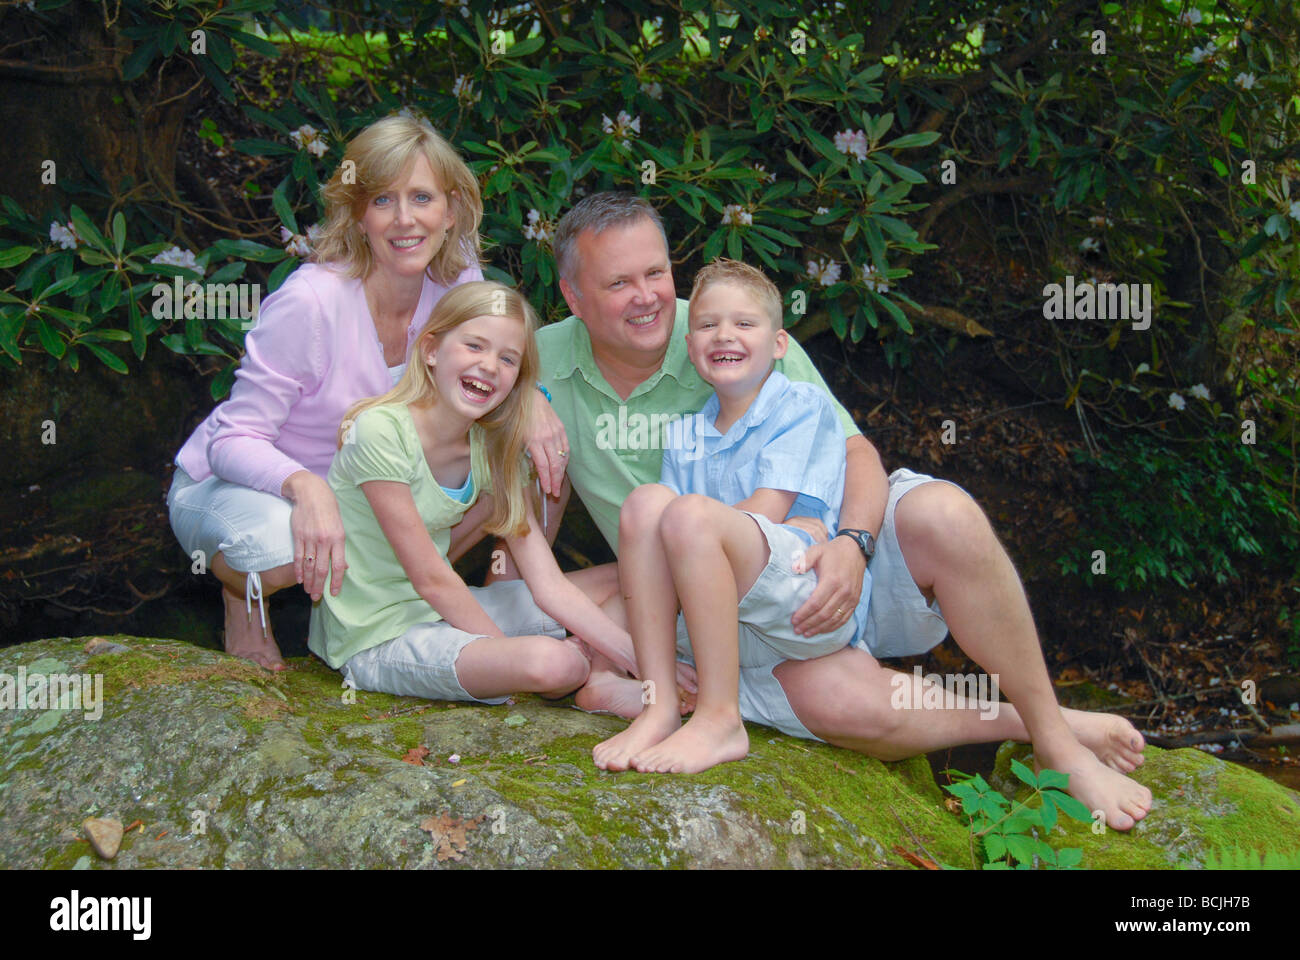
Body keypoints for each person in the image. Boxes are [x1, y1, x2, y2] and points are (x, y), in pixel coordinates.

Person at [515, 191, 1152, 830]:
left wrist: (853, 541)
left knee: (946, 514)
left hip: (822, 549)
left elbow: (856, 454)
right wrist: (525, 400)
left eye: (656, 272)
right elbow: (450, 360)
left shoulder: (725, 320)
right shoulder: (538, 360)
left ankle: (1057, 741)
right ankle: (1026, 720)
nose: (648, 297)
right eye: (618, 282)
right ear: (572, 298)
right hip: (728, 602)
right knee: (847, 707)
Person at [167, 112, 484, 671]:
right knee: (285, 548)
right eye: (382, 200)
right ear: (357, 213)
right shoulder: (311, 302)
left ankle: (391, 599)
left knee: (518, 467)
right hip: (241, 486)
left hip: (362, 489)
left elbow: (497, 368)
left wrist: (534, 405)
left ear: (452, 208)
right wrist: (306, 487)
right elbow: (233, 438)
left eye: (422, 198)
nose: (404, 219)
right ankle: (243, 596)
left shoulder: (459, 283)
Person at [308, 281, 639, 703]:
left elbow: (547, 583)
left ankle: (605, 675)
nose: (488, 366)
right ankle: (579, 663)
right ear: (431, 350)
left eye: (507, 359)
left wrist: (639, 660)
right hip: (378, 635)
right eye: (474, 346)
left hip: (447, 613)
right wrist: (505, 653)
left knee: (628, 578)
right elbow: (431, 580)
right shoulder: (382, 431)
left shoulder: (489, 448)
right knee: (556, 664)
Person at [594, 260, 866, 774]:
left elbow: (768, 509)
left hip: (804, 592)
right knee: (645, 502)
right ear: (690, 344)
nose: (725, 335)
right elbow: (659, 535)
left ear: (779, 343)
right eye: (707, 325)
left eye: (744, 324)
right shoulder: (684, 432)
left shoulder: (800, 404)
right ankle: (660, 703)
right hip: (724, 609)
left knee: (686, 515)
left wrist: (689, 532)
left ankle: (721, 718)